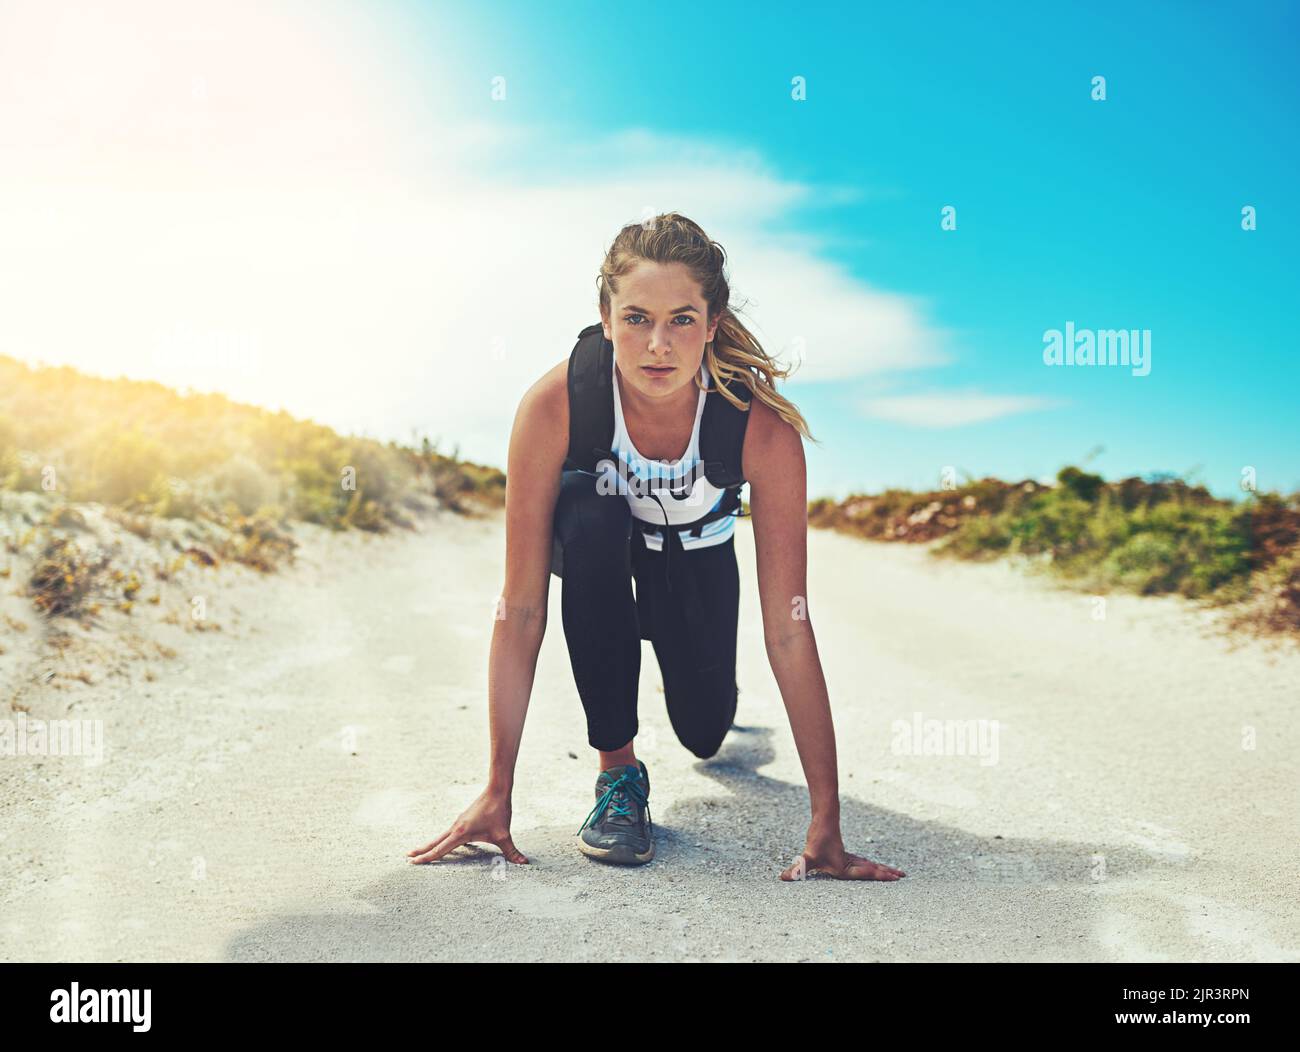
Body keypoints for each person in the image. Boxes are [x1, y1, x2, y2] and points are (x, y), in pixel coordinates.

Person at [408, 212, 905, 881]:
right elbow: (522, 607)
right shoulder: (558, 403)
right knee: (590, 511)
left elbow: (789, 628)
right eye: (637, 318)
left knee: (704, 732)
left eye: (682, 320)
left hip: (699, 562)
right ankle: (619, 778)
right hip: (602, 560)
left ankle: (697, 673)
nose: (658, 346)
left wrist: (827, 821)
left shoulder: (758, 430)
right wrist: (497, 789)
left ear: (714, 322)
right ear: (606, 318)